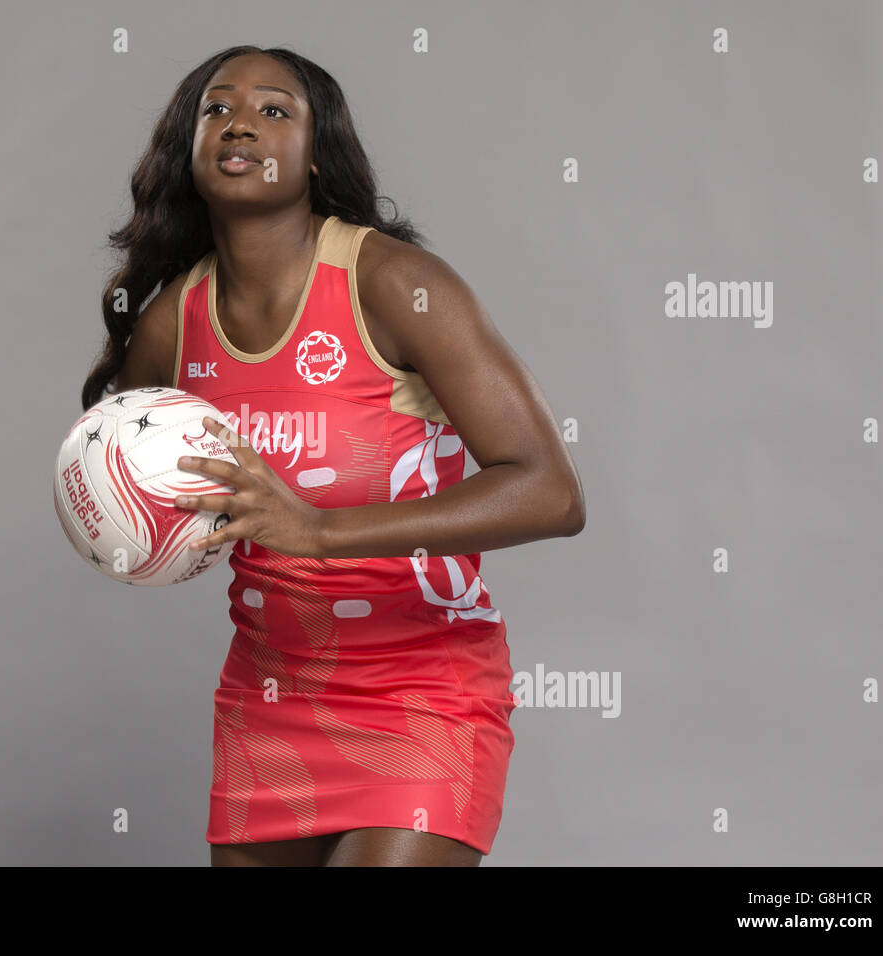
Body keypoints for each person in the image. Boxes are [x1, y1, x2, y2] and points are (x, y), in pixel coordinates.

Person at [81, 45, 585, 866]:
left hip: (422, 688)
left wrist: (316, 530)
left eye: (275, 109)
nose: (240, 121)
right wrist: (131, 518)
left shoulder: (394, 285)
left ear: (317, 154)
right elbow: (118, 454)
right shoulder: (178, 317)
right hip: (269, 695)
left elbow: (551, 492)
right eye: (217, 109)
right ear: (189, 145)